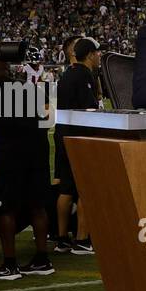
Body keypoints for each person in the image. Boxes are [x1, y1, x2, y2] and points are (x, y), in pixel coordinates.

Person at [0, 59, 55, 280]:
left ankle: (10, 264)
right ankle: (43, 259)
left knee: (7, 209)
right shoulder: (29, 87)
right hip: (38, 152)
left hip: (9, 154)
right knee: (38, 207)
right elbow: (48, 118)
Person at [53, 37, 100, 255]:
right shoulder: (83, 76)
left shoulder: (67, 74)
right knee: (86, 190)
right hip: (79, 138)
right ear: (90, 54)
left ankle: (61, 238)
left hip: (63, 135)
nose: (99, 56)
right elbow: (89, 112)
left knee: (66, 190)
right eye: (97, 53)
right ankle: (82, 240)